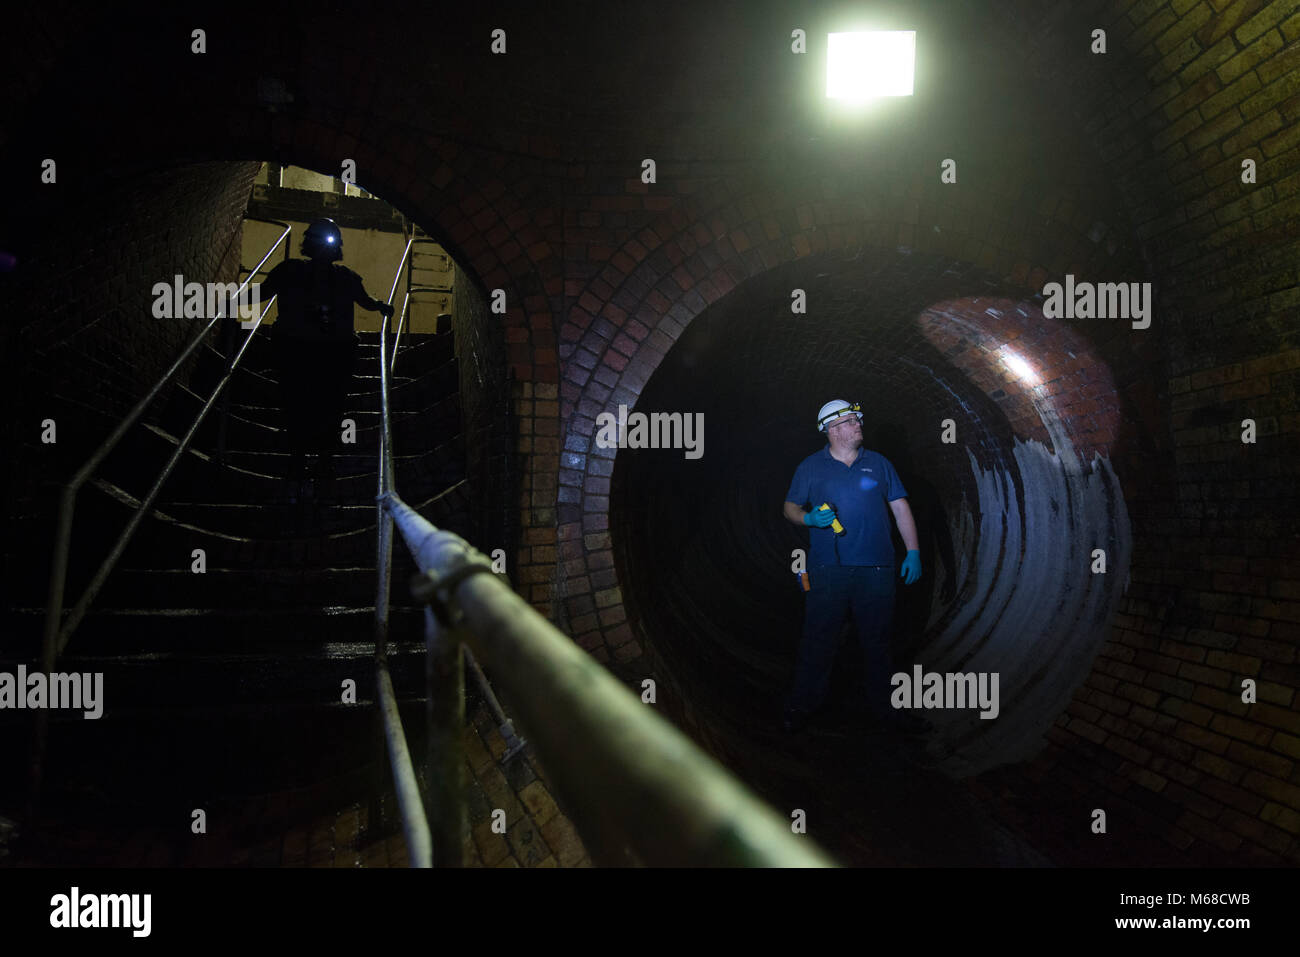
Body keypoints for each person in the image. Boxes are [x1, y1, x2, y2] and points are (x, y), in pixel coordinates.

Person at [781, 399, 925, 734]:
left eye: (858, 419)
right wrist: (808, 517)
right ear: (831, 429)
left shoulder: (879, 463)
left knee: (878, 642)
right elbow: (788, 506)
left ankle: (886, 712)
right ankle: (802, 706)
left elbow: (900, 508)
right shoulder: (810, 467)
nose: (859, 424)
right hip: (827, 569)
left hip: (877, 569)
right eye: (849, 421)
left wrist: (913, 551)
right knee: (819, 639)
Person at [244, 218, 394, 500]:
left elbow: (364, 300)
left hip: (308, 352)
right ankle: (312, 463)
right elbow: (365, 300)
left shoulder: (295, 272)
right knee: (317, 408)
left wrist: (379, 306)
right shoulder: (329, 275)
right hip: (320, 353)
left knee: (308, 407)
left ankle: (310, 463)